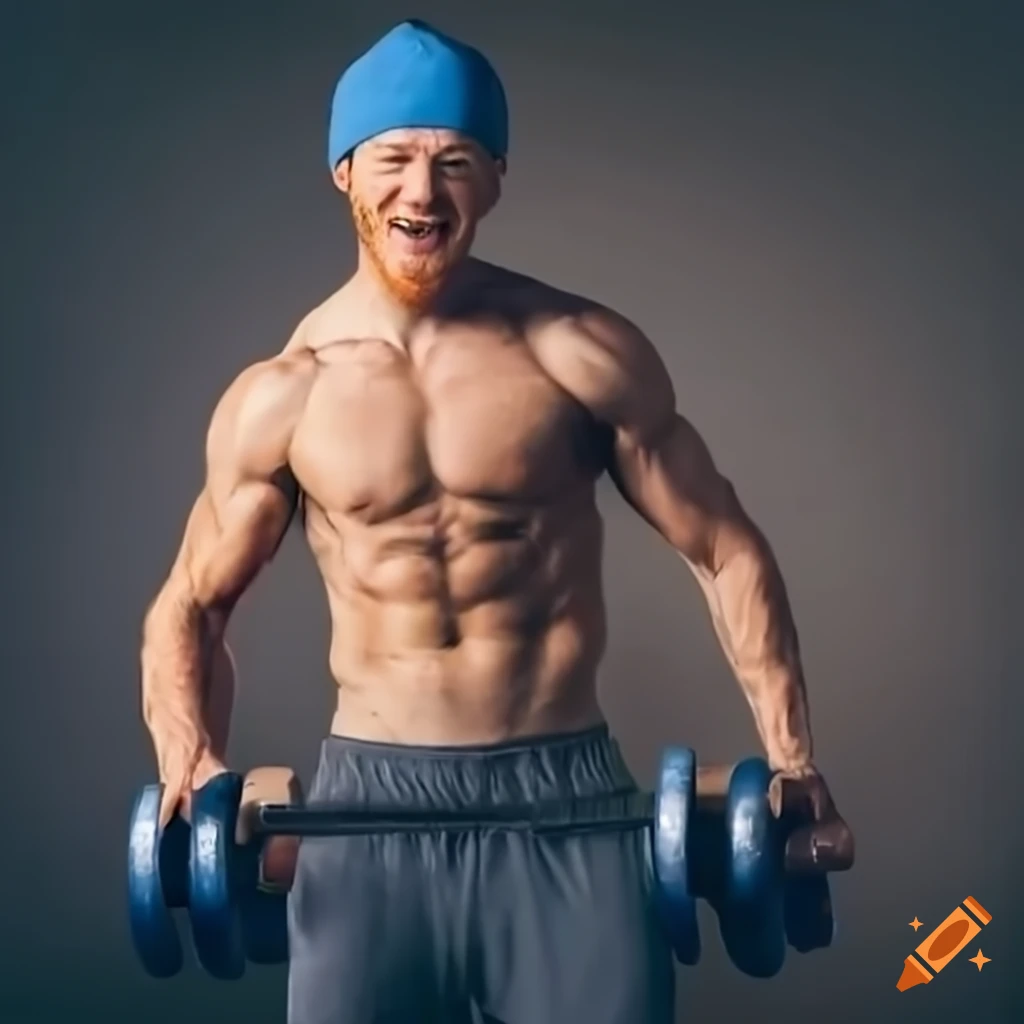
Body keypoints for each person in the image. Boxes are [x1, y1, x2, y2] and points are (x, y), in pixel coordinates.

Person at [139, 19, 849, 1024]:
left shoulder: (580, 352)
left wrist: (790, 759)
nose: (421, 194)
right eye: (393, 160)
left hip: (564, 803)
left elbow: (723, 547)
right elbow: (191, 604)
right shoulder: (282, 395)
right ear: (344, 171)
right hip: (361, 813)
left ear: (497, 175)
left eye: (454, 162)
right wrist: (192, 763)